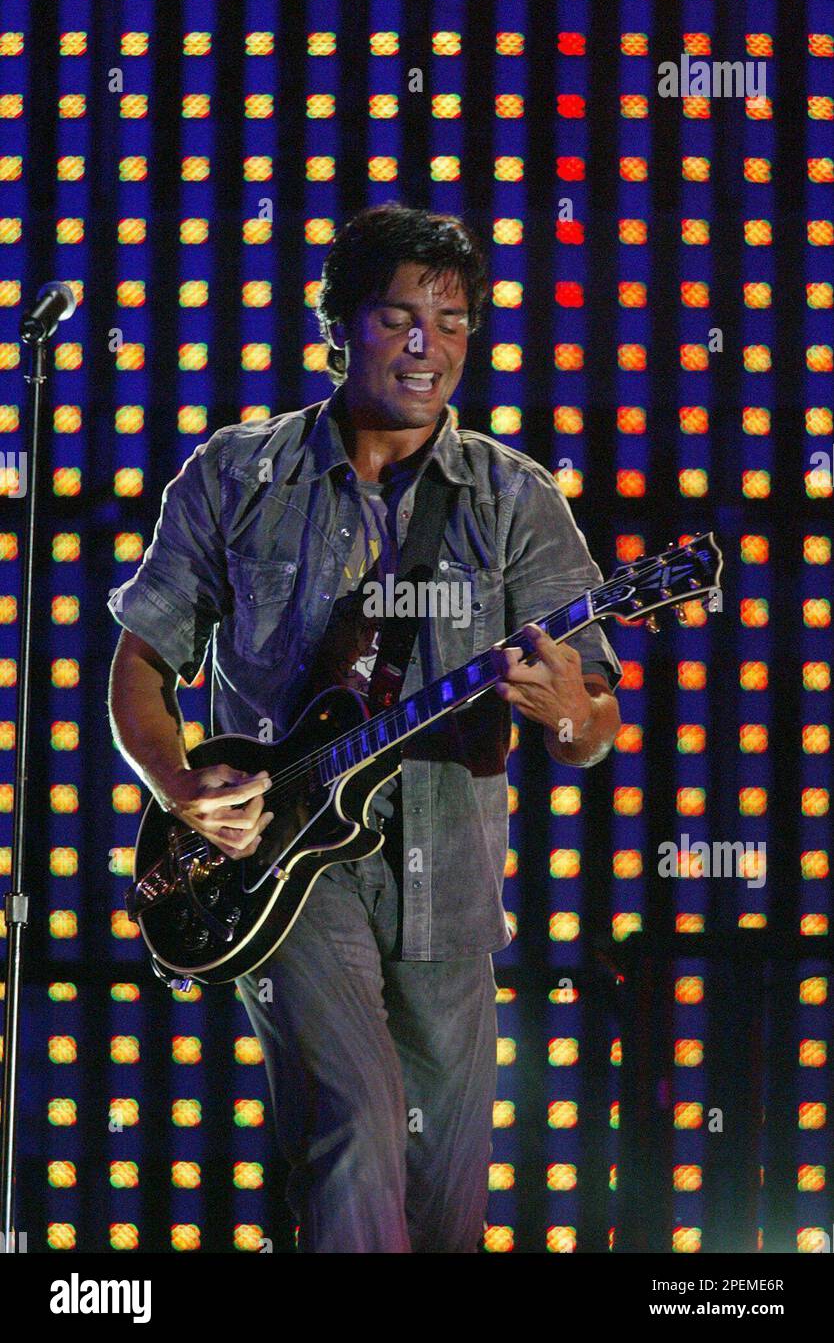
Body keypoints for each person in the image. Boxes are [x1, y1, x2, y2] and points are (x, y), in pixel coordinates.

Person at [107, 202, 622, 1253]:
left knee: (444, 1203)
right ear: (339, 325)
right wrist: (179, 788)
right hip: (287, 873)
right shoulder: (237, 476)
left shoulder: (516, 499)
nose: (428, 345)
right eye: (397, 317)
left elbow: (592, 724)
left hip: (453, 880)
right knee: (355, 1126)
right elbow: (142, 664)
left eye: (453, 320)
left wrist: (571, 713)